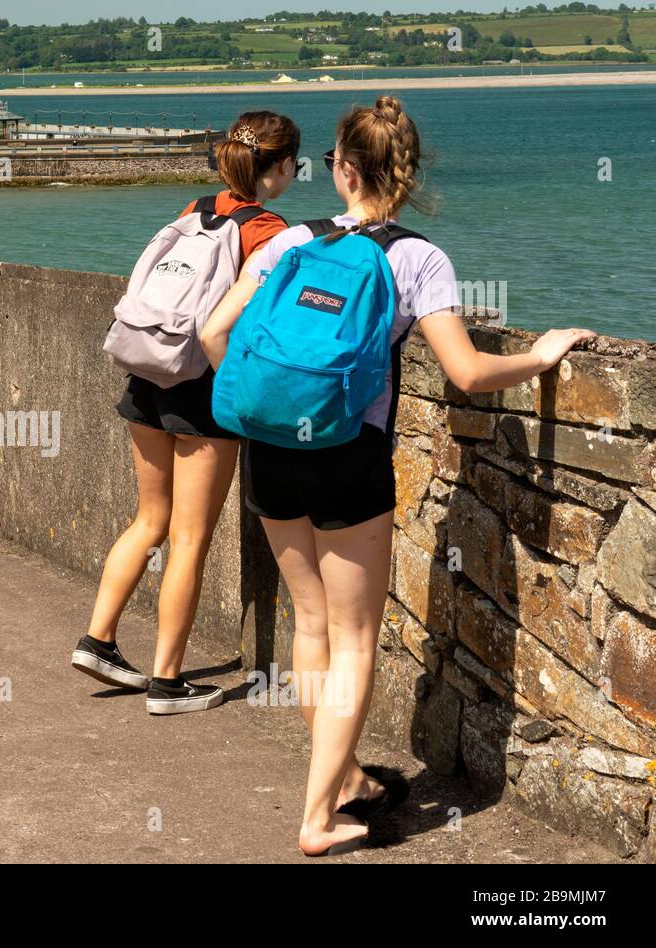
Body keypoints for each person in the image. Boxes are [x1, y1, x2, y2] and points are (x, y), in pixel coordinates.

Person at [199, 95, 594, 855]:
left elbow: (214, 331)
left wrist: (259, 410)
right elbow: (470, 372)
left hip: (273, 455)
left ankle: (343, 781)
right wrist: (541, 357)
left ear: (340, 168)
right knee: (352, 638)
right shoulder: (416, 257)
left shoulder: (286, 243)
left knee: (310, 624)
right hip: (349, 458)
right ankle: (318, 818)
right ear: (406, 176)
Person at [73, 112, 300, 715]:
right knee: (190, 538)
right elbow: (277, 322)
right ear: (280, 168)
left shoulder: (195, 209)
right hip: (202, 389)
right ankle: (168, 682)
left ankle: (98, 640)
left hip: (147, 372)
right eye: (296, 165)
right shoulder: (271, 231)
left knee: (149, 520)